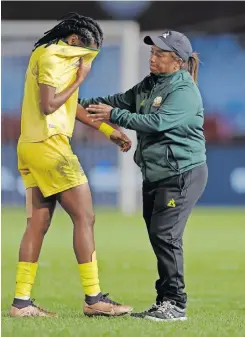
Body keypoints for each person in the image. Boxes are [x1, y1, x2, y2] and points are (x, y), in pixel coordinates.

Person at [10, 12, 133, 318]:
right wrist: (81, 77)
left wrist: (107, 130)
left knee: (38, 223)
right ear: (74, 40)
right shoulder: (54, 57)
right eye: (87, 51)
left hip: (31, 146)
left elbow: (70, 104)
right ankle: (94, 299)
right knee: (85, 217)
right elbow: (49, 104)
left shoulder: (49, 54)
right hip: (50, 146)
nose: (89, 58)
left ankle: (21, 303)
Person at [80, 31, 208, 322]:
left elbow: (156, 122)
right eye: (151, 52)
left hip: (181, 174)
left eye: (159, 54)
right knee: (158, 236)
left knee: (166, 236)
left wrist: (115, 115)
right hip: (156, 174)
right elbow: (115, 101)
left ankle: (175, 304)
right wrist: (73, 101)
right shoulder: (150, 84)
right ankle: (165, 299)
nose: (152, 57)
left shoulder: (184, 91)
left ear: (177, 62)